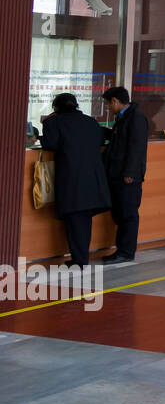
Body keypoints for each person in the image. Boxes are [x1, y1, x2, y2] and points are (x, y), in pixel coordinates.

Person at [39, 93, 111, 267]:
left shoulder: (53, 122)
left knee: (76, 221)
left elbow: (51, 144)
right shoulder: (91, 122)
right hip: (93, 178)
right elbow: (101, 140)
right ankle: (80, 257)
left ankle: (80, 260)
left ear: (55, 108)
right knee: (82, 220)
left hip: (71, 179)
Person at [102, 85, 146, 264]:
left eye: (108, 105)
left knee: (128, 213)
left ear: (115, 101)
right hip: (117, 173)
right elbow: (116, 138)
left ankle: (126, 252)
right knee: (120, 212)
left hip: (128, 176)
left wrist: (130, 172)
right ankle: (121, 249)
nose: (108, 109)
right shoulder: (123, 117)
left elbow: (137, 148)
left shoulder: (136, 118)